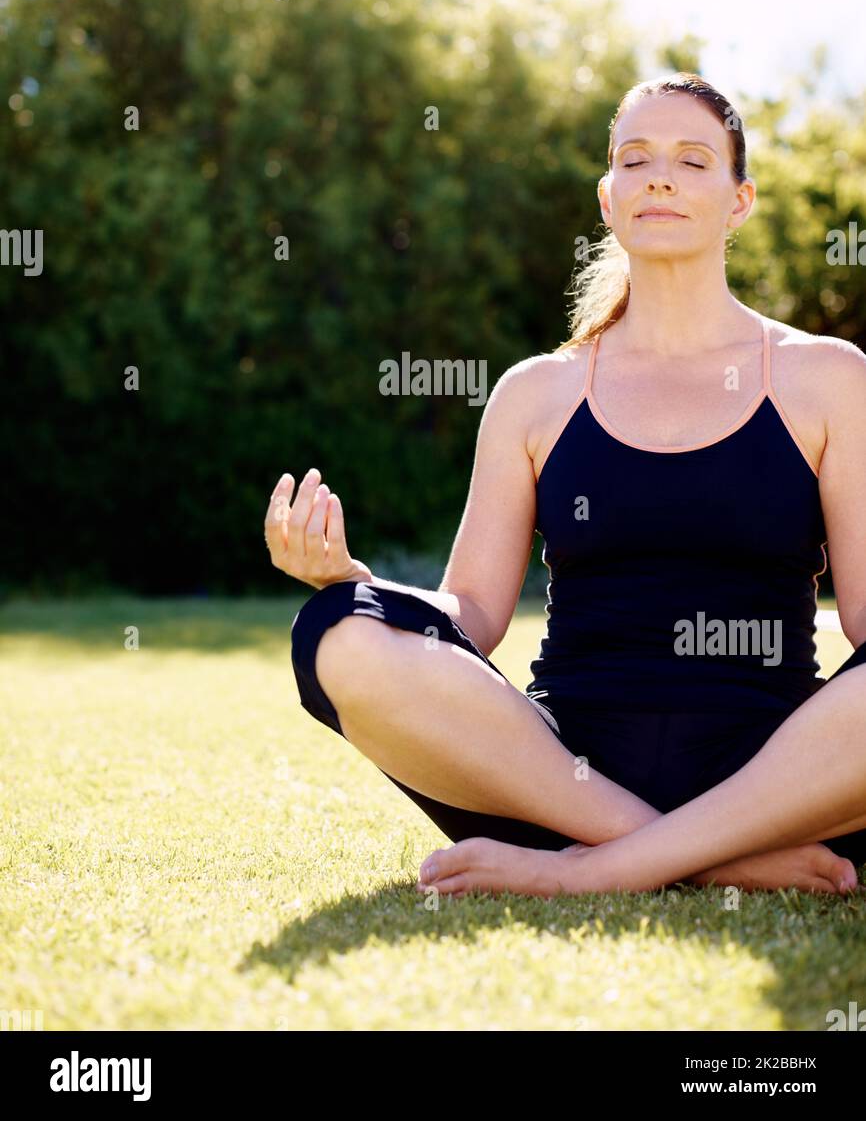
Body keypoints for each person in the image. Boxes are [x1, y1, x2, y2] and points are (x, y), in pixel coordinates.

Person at [266, 72, 866, 898]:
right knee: (337, 633)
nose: (661, 177)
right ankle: (708, 857)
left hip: (773, 769)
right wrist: (357, 587)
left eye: (694, 161)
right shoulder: (535, 392)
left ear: (739, 200)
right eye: (636, 159)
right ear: (608, 196)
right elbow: (471, 616)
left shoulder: (829, 379)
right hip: (567, 773)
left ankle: (601, 869)